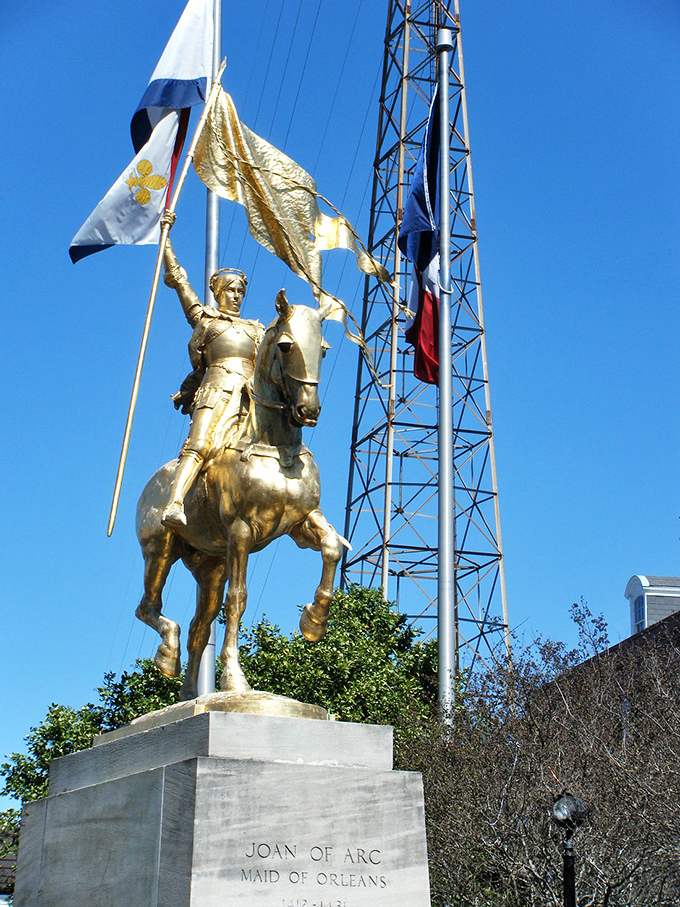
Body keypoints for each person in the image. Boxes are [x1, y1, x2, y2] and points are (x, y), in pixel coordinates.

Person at [160, 213, 264, 529]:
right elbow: (179, 281)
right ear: (218, 292)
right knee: (200, 444)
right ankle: (175, 502)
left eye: (240, 292)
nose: (236, 296)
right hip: (215, 391)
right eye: (230, 290)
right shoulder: (206, 320)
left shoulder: (256, 329)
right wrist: (165, 240)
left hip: (251, 397)